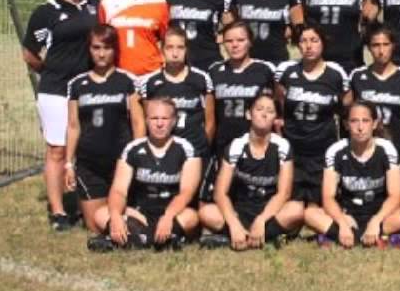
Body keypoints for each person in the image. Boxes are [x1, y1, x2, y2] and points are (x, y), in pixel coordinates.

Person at [22, 0, 99, 231]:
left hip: (88, 90)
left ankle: (84, 202)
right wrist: (49, 72)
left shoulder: (95, 6)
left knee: (85, 148)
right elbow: (29, 53)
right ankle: (57, 211)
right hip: (55, 90)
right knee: (58, 150)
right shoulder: (46, 11)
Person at [87, 97, 201, 252]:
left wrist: (168, 217)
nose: (159, 123)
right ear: (146, 120)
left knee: (192, 217)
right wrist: (115, 217)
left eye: (164, 118)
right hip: (139, 214)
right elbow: (119, 190)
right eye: (154, 118)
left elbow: (186, 192)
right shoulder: (132, 149)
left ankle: (130, 240)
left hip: (173, 213)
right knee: (101, 214)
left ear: (174, 121)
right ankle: (160, 241)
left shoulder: (186, 149)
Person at [65, 24, 144, 234]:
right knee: (94, 226)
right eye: (96, 47)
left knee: (117, 214)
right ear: (89, 49)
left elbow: (137, 122)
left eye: (107, 48)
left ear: (115, 50)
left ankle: (135, 226)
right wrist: (68, 163)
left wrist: (138, 156)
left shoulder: (127, 81)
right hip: (89, 163)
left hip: (120, 161)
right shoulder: (77, 84)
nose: (101, 53)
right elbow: (73, 125)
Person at [198, 92, 305, 250]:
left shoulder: (283, 146)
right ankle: (258, 236)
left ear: (275, 118)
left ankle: (238, 238)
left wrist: (262, 220)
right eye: (259, 109)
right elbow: (220, 193)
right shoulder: (236, 146)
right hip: (241, 210)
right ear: (249, 114)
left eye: (270, 111)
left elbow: (284, 193)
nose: (264, 114)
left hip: (270, 211)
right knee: (206, 212)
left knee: (296, 210)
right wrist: (234, 223)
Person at [307, 100, 400, 249]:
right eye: (354, 121)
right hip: (348, 215)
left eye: (365, 121)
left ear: (374, 124)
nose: (360, 127)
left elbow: (394, 195)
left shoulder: (387, 149)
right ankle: (379, 239)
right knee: (310, 214)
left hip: (379, 214)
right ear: (346, 124)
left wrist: (376, 221)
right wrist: (342, 223)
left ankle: (339, 237)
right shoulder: (335, 151)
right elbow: (328, 197)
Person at [347, 24, 400, 210]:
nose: (381, 50)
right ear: (369, 48)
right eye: (375, 45)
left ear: (393, 46)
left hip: (399, 148)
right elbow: (348, 113)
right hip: (367, 149)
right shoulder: (357, 77)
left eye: (385, 44)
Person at [274, 25, 348, 209]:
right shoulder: (285, 71)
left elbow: (345, 109)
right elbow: (278, 104)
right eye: (303, 41)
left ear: (323, 43)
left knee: (319, 204)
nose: (309, 46)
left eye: (314, 40)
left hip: (322, 148)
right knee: (292, 205)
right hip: (293, 147)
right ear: (297, 45)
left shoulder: (336, 74)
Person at [139, 26, 215, 203]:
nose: (175, 53)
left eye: (180, 48)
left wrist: (203, 146)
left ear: (186, 50)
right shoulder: (150, 83)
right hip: (164, 150)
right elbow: (147, 120)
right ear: (162, 49)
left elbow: (210, 121)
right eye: (169, 47)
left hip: (195, 148)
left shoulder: (201, 79)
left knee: (198, 205)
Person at [207, 22, 278, 166]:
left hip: (256, 142)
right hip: (224, 143)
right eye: (229, 41)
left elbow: (275, 109)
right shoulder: (214, 71)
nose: (234, 45)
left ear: (250, 42)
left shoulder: (265, 70)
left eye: (240, 40)